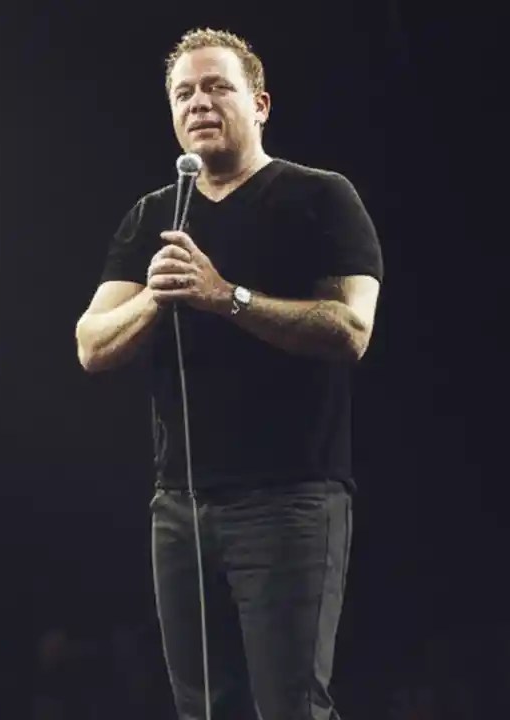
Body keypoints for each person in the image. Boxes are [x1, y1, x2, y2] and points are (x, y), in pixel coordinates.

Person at [74, 28, 383, 720]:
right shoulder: (154, 216)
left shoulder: (321, 197)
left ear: (261, 102)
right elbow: (92, 346)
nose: (199, 103)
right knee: (204, 709)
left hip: (291, 498)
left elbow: (350, 330)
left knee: (290, 707)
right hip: (179, 505)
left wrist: (226, 296)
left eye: (217, 87)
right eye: (184, 92)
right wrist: (157, 295)